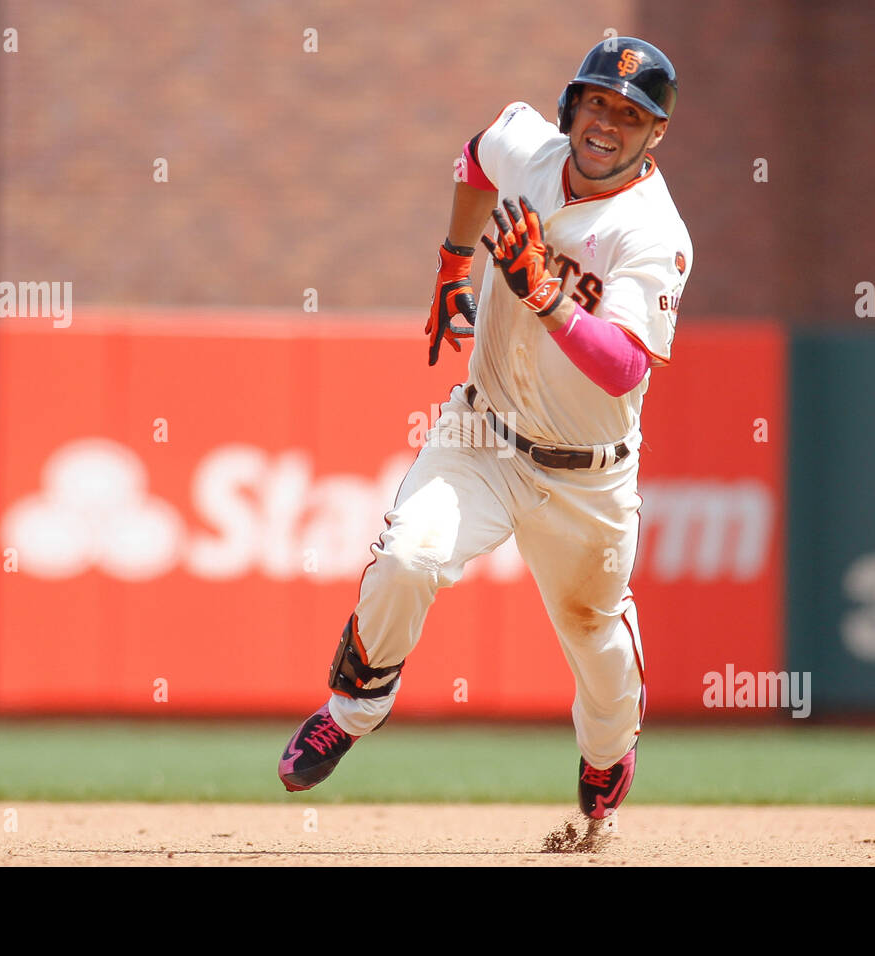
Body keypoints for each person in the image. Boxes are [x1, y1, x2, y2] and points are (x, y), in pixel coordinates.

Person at [278, 37, 692, 822]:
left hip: (588, 473)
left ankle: (607, 756)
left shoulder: (653, 233)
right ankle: (349, 714)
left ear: (654, 134)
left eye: (631, 116)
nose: (609, 124)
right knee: (408, 556)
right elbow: (475, 157)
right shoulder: (533, 148)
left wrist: (547, 299)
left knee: (594, 634)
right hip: (484, 435)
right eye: (599, 102)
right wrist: (450, 267)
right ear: (574, 103)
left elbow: (625, 368)